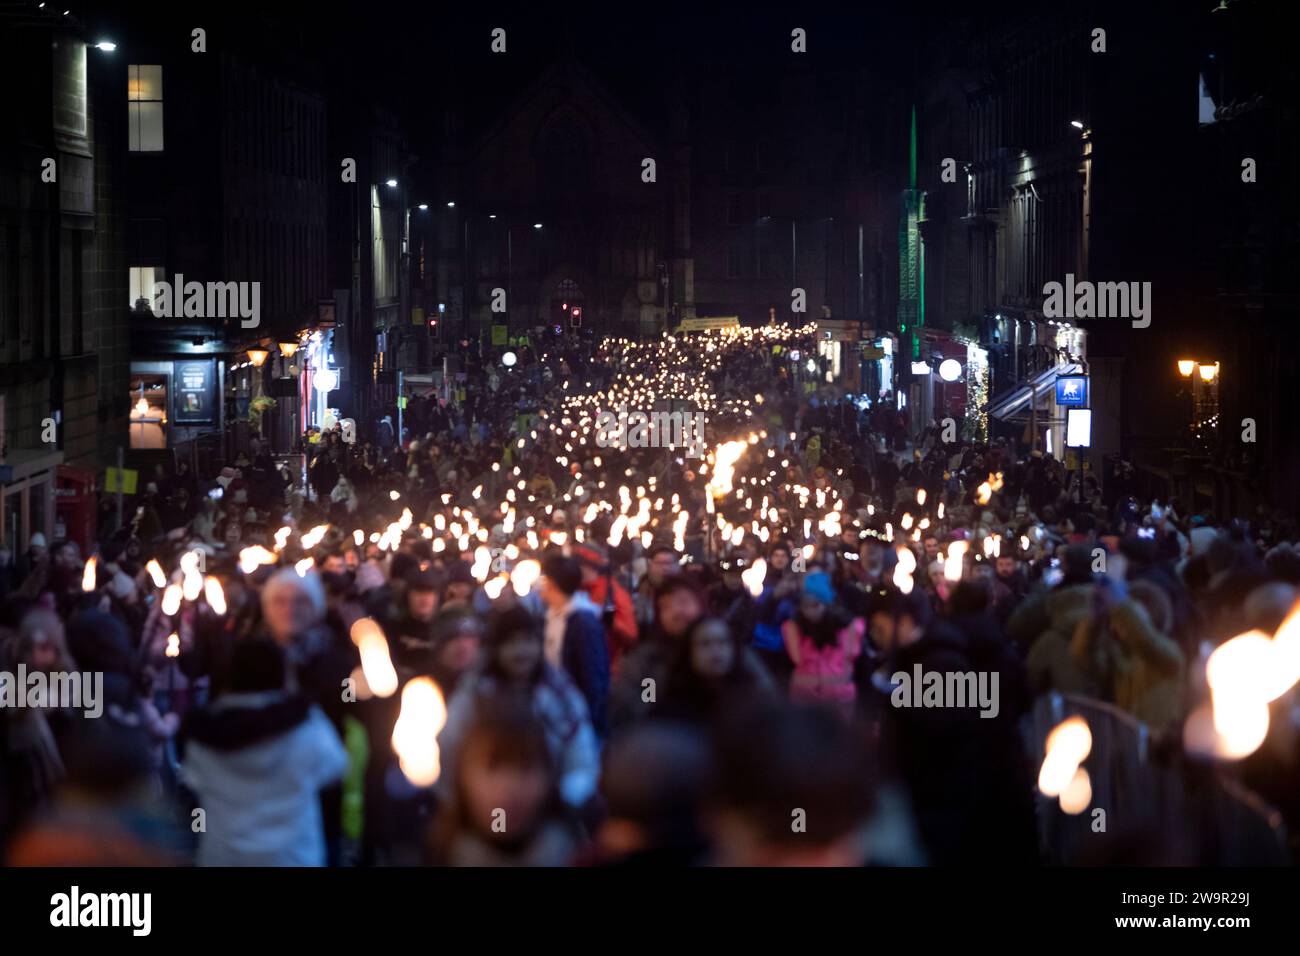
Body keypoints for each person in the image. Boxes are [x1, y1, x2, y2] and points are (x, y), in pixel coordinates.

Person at [180, 638, 348, 866]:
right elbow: (336, 767)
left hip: (224, 858)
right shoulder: (305, 726)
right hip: (292, 857)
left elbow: (193, 781)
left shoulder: (204, 733)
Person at [439, 606, 599, 810]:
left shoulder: (560, 694)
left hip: (550, 809)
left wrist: (565, 798)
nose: (521, 651)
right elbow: (449, 746)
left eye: (528, 641)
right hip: (484, 809)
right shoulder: (475, 693)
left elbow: (581, 756)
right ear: (497, 649)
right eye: (512, 643)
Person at [427, 703, 581, 866]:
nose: (509, 786)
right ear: (461, 776)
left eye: (525, 768)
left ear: (550, 775)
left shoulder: (579, 854)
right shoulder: (438, 853)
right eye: (493, 767)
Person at [538, 554, 610, 737]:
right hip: (556, 714)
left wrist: (586, 725)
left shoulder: (583, 622)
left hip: (578, 721)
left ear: (552, 584)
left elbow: (593, 678)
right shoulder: (552, 615)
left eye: (542, 578)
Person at [782, 572, 864, 717]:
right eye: (805, 606)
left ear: (826, 604)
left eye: (815, 605)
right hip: (804, 702)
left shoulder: (847, 629)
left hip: (839, 702)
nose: (810, 611)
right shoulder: (794, 629)